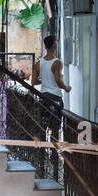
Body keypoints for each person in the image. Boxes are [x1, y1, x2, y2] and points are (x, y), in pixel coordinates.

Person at [31, 33, 70, 179]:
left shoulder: (38, 63)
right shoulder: (56, 62)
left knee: (43, 129)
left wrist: (45, 82)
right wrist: (66, 88)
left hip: (43, 99)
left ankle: (41, 164)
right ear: (54, 45)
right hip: (54, 99)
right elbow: (58, 80)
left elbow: (34, 82)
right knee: (54, 132)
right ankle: (54, 166)